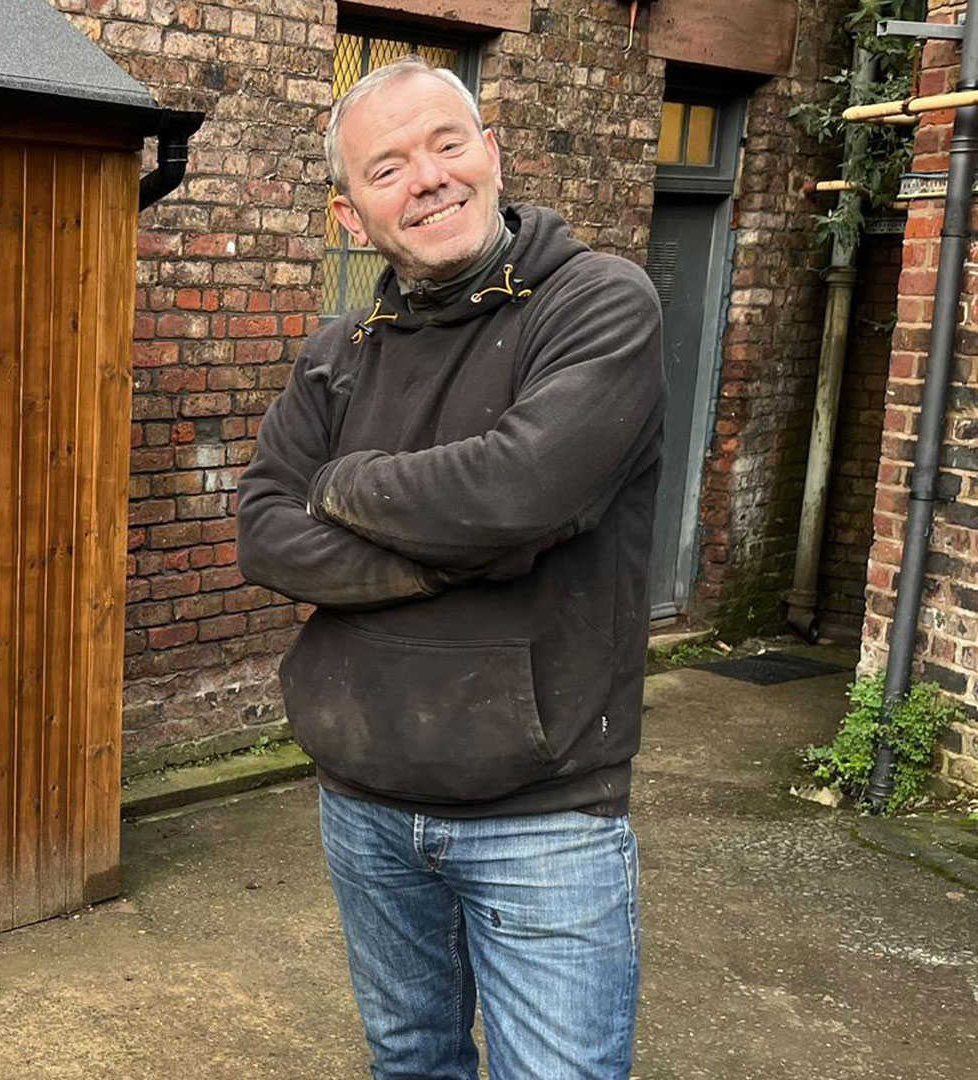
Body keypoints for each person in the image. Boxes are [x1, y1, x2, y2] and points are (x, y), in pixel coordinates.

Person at [236, 58, 664, 1080]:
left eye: (446, 144)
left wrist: (340, 482)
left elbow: (516, 493)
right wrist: (453, 560)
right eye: (387, 167)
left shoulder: (596, 304)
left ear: (492, 154)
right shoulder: (338, 353)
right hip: (364, 799)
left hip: (543, 815)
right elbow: (263, 531)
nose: (427, 179)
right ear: (351, 216)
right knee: (412, 1062)